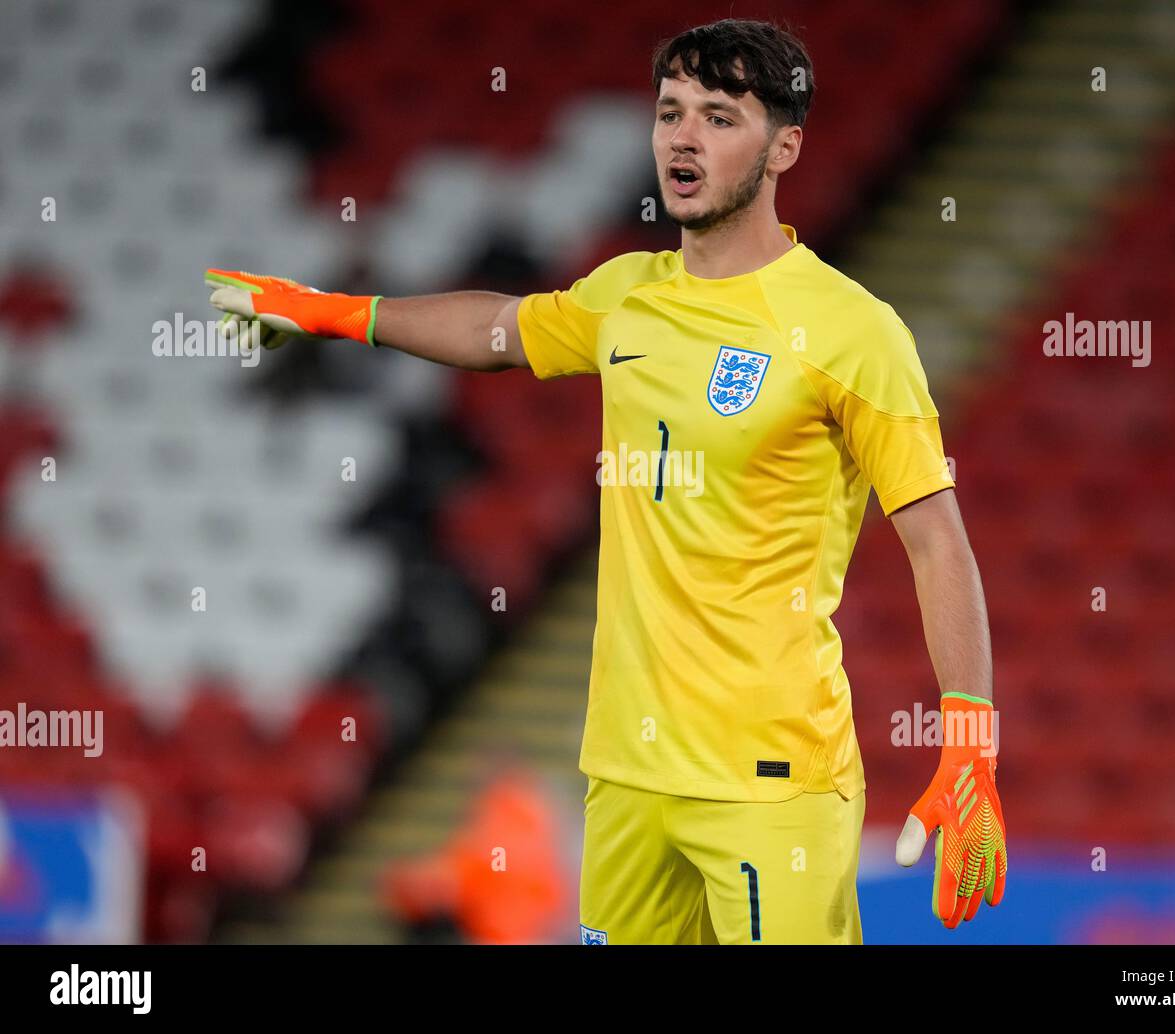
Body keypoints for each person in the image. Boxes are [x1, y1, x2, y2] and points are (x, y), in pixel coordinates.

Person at [205, 17, 1006, 944]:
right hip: (627, 771)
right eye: (670, 113)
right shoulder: (627, 293)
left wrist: (969, 746)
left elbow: (936, 540)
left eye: (718, 116)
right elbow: (497, 331)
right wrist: (332, 313)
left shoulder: (851, 332)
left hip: (771, 778)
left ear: (785, 147)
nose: (682, 138)